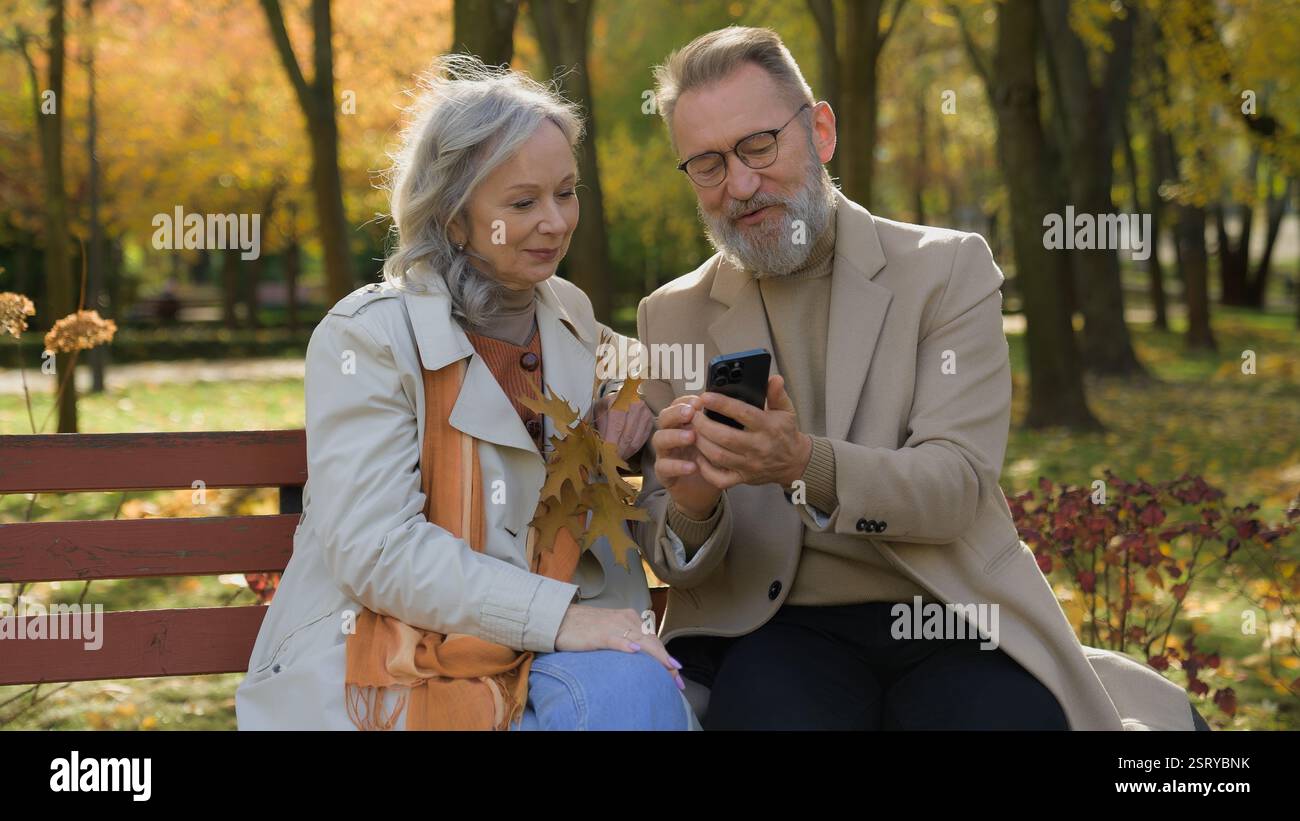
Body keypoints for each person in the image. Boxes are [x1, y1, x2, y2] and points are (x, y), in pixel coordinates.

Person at [630, 26, 1204, 730]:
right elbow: (675, 552)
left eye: (757, 146)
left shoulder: (948, 270)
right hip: (775, 629)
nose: (741, 185)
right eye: (709, 164)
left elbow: (955, 486)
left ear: (820, 131)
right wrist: (691, 506)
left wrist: (800, 462)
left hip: (947, 612)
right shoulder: (669, 313)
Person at [236, 55, 697, 731]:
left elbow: (640, 364)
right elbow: (376, 549)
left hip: (538, 657)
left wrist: (636, 394)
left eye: (565, 192)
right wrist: (559, 617)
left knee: (637, 691)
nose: (555, 221)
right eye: (522, 202)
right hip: (389, 655)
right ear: (454, 219)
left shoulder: (564, 311)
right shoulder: (367, 339)